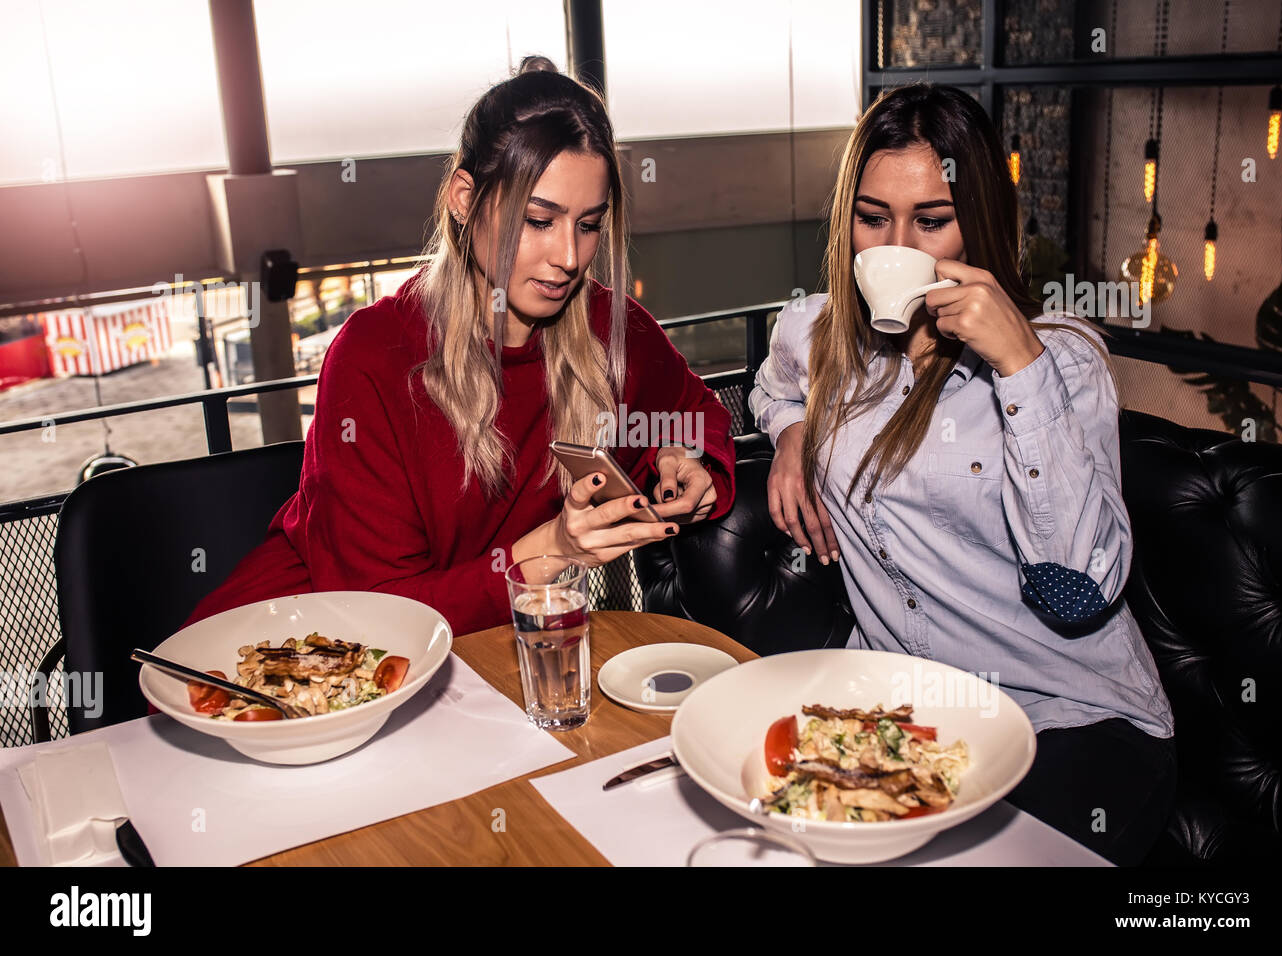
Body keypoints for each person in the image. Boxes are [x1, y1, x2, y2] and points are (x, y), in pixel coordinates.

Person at [749, 83, 1174, 865]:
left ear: (978, 221)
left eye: (932, 221)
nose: (894, 248)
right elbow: (773, 387)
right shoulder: (818, 332)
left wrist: (1018, 365)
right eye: (872, 218)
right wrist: (791, 433)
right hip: (908, 709)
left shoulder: (1062, 363)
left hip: (1066, 716)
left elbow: (1078, 589)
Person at [181, 58, 736, 637]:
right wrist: (550, 551)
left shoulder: (611, 327)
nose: (569, 256)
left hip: (475, 659)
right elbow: (378, 618)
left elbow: (695, 414)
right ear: (464, 198)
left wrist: (686, 462)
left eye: (589, 224)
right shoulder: (375, 356)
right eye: (538, 220)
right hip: (292, 654)